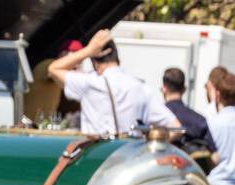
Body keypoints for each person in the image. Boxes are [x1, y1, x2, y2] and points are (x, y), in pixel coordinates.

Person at [48, 28, 180, 137]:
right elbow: (176, 129)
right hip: (128, 159)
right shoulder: (140, 87)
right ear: (118, 59)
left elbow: (53, 68)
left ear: (94, 63)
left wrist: (89, 50)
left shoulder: (90, 83)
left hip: (96, 159)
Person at [161, 66, 217, 161]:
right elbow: (214, 154)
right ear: (184, 89)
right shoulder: (200, 120)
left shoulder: (157, 118)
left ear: (163, 89)